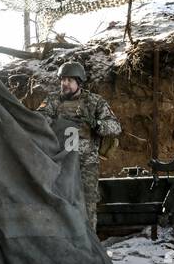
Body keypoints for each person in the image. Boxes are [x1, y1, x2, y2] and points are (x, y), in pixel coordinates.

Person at [38, 60, 121, 234]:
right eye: (62, 80)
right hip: (60, 162)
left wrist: (96, 124)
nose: (64, 84)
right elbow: (38, 121)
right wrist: (56, 122)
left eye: (69, 80)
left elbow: (115, 127)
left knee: (88, 203)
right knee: (60, 202)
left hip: (86, 163)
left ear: (79, 82)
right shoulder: (53, 100)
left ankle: (89, 244)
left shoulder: (94, 101)